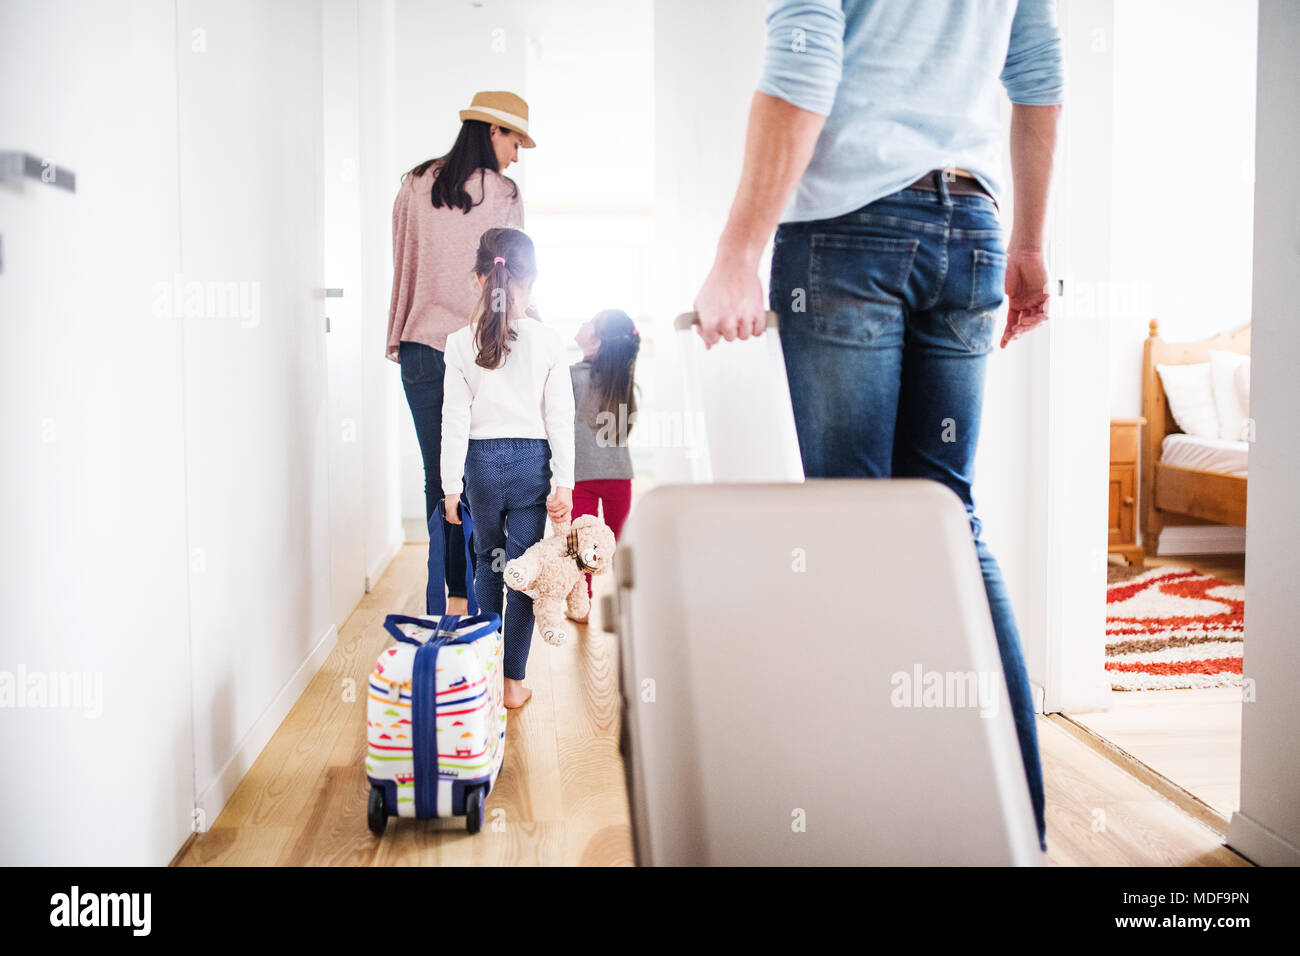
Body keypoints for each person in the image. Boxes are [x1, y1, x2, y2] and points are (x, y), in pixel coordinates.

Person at [693, 0, 1064, 854]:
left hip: (849, 231)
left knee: (851, 534)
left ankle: (864, 830)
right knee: (948, 524)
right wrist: (1031, 243)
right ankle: (1020, 838)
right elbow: (1037, 68)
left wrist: (738, 254)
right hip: (971, 225)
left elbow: (803, 58)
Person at [386, 90, 534, 614]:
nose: (518, 154)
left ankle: (451, 599)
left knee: (440, 478)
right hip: (480, 351)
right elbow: (511, 278)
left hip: (422, 347)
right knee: (482, 475)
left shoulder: (415, 182)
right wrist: (529, 329)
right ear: (493, 131)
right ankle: (485, 600)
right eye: (516, 140)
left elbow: (403, 261)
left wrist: (398, 332)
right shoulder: (505, 193)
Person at [441, 228, 575, 710]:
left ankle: (482, 675)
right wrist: (565, 481)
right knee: (524, 571)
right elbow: (561, 417)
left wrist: (450, 487)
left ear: (479, 277)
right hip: (531, 465)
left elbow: (453, 420)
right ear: (532, 279)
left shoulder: (458, 343)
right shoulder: (549, 340)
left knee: (487, 564)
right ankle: (513, 683)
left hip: (479, 465)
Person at [569, 309, 641, 612]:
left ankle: (581, 606)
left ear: (596, 342)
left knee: (580, 544)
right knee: (619, 544)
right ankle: (630, 603)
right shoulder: (622, 378)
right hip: (619, 476)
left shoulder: (572, 376)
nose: (583, 323)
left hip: (581, 475)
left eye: (590, 322)